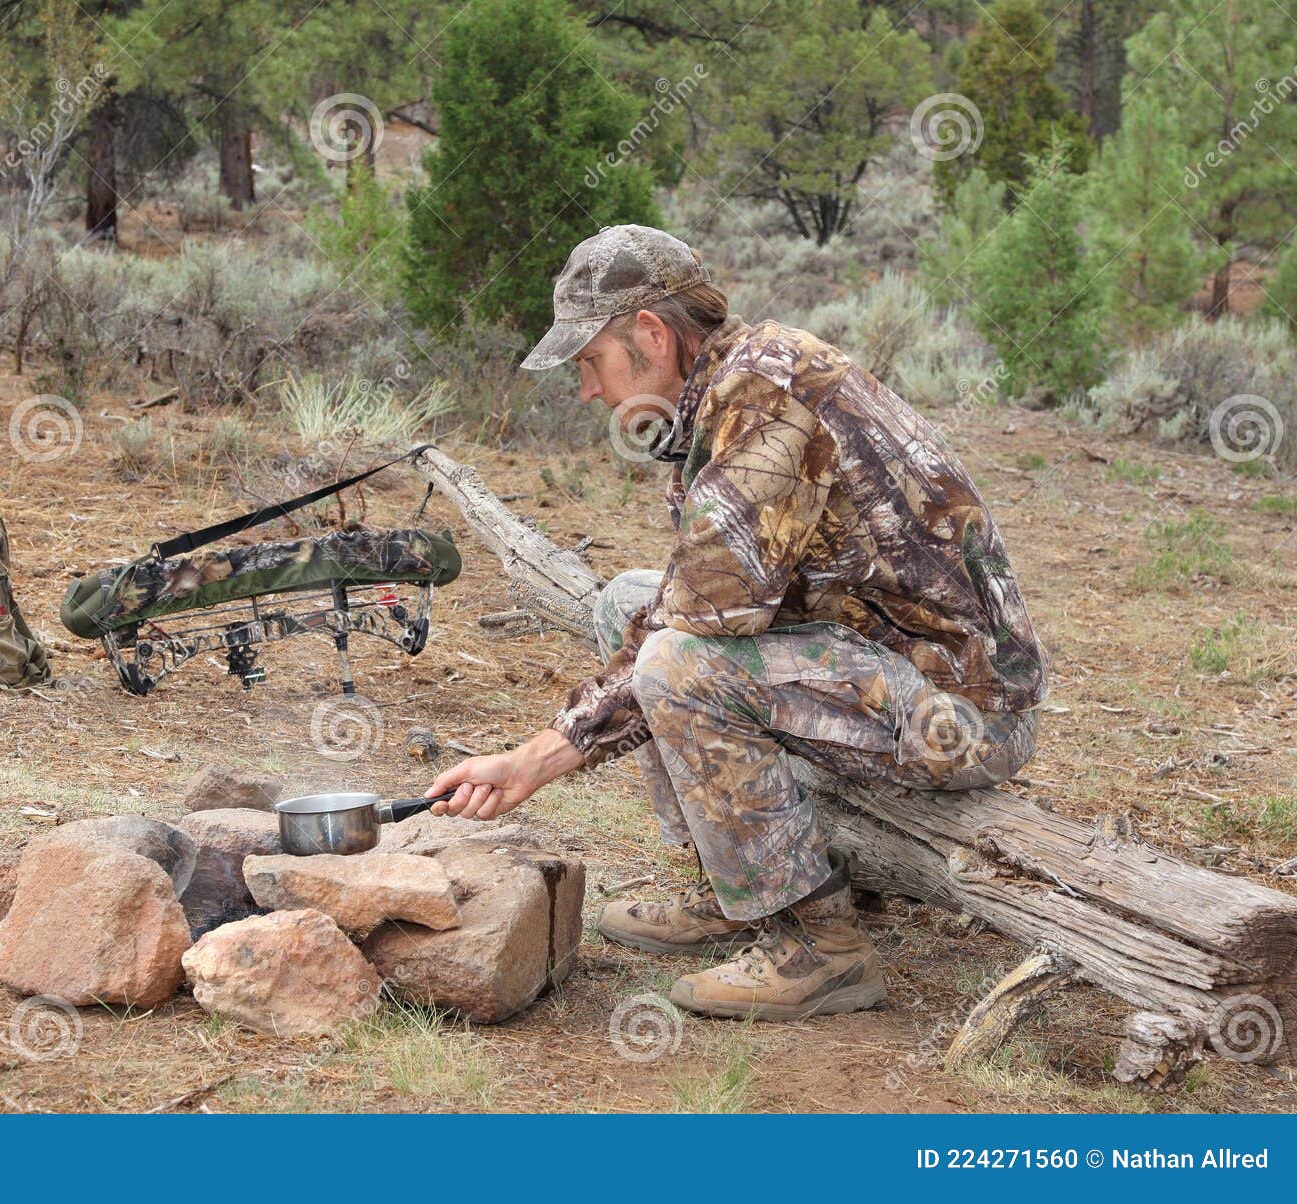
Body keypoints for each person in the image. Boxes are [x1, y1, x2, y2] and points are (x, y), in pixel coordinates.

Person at [425, 224, 1047, 1021]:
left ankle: (820, 947)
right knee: (627, 601)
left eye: (591, 362)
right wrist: (548, 746)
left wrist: (538, 758)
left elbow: (704, 623)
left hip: (965, 716)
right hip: (887, 664)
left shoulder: (766, 399)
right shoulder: (734, 385)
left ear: (650, 335)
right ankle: (730, 889)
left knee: (675, 664)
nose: (588, 391)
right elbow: (698, 595)